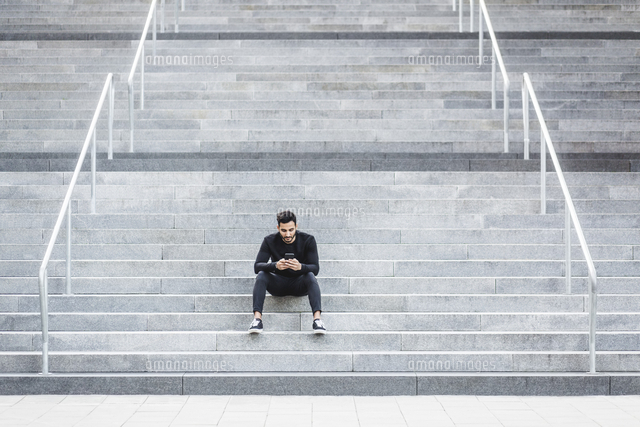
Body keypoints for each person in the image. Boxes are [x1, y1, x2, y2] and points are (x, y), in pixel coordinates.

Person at [249, 210, 325, 335]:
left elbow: (315, 269)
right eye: (283, 231)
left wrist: (301, 267)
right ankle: (257, 320)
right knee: (262, 275)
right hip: (278, 284)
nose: (288, 234)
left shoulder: (308, 240)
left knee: (310, 275)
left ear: (296, 226)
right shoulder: (269, 240)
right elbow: (257, 266)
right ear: (278, 228)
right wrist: (275, 266)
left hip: (299, 284)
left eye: (291, 230)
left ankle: (317, 320)